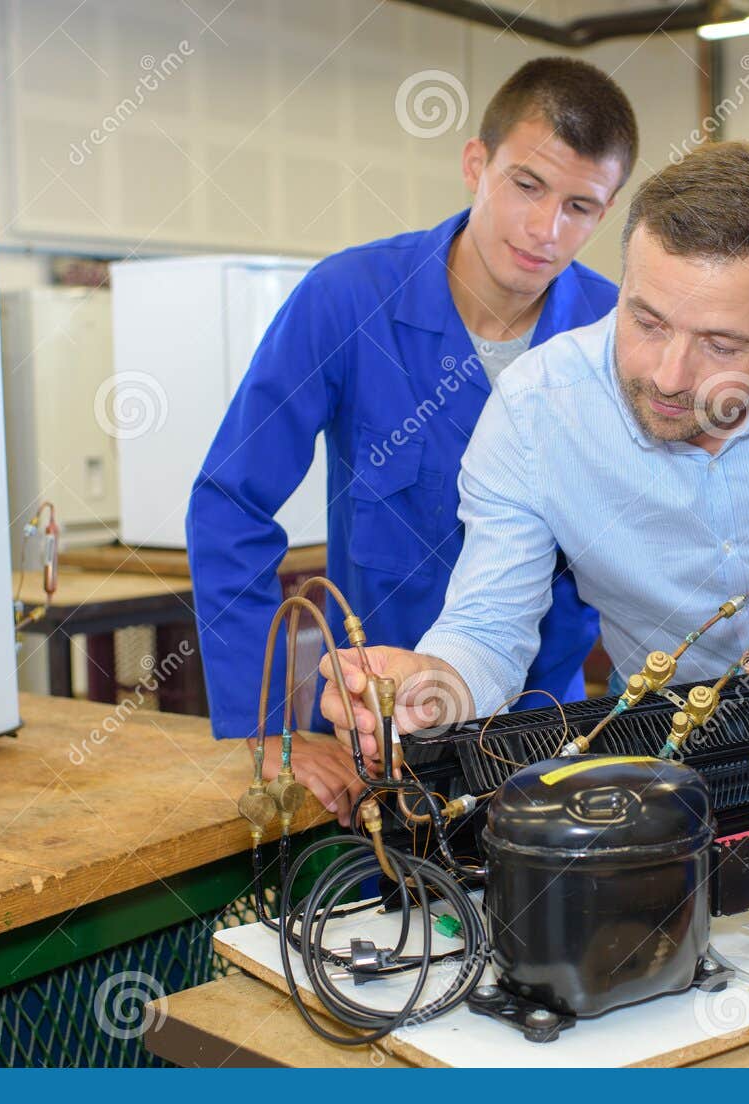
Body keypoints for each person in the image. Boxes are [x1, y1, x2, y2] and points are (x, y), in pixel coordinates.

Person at [318, 141, 749, 766]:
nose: (670, 375)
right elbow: (488, 629)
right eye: (646, 322)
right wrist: (430, 688)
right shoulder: (535, 412)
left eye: (722, 345)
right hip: (669, 750)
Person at [186, 59, 638, 823]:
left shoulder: (619, 337)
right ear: (476, 163)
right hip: (376, 748)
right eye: (527, 185)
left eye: (580, 206)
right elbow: (231, 501)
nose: (545, 230)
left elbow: (657, 542)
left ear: (608, 211)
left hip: (545, 743)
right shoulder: (347, 300)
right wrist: (265, 724)